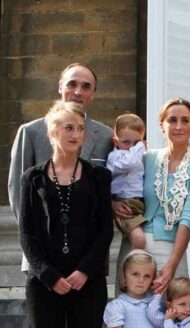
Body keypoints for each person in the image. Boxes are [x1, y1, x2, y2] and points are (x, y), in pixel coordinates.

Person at [18, 100, 113, 328]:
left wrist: (84, 272)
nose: (76, 135)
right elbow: (27, 234)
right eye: (68, 127)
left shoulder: (98, 178)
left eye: (80, 128)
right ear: (53, 132)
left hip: (87, 284)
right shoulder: (33, 179)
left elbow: (104, 230)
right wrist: (49, 275)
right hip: (44, 286)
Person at [114, 97, 190, 293]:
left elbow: (187, 220)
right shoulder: (145, 158)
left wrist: (172, 264)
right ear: (161, 126)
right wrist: (112, 204)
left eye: (185, 120)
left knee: (171, 316)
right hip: (134, 245)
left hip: (171, 249)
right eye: (172, 120)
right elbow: (118, 185)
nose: (178, 126)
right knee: (128, 312)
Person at [8, 63, 113, 223]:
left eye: (86, 87)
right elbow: (18, 190)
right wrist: (31, 235)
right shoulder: (31, 132)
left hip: (89, 239)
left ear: (92, 94)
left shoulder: (107, 136)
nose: (78, 92)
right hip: (43, 237)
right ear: (60, 88)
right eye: (72, 84)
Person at [107, 113, 148, 249]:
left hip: (140, 204)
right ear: (116, 141)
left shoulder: (138, 155)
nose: (131, 147)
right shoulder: (116, 157)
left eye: (136, 142)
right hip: (125, 206)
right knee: (139, 240)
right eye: (126, 142)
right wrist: (139, 147)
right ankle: (132, 268)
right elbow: (129, 163)